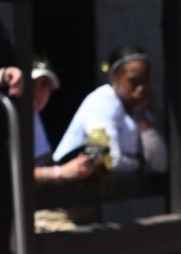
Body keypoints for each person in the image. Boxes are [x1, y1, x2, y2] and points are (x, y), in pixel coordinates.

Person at [53, 44, 167, 178]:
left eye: (145, 80)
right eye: (133, 81)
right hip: (69, 190)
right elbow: (108, 160)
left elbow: (161, 164)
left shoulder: (139, 109)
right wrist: (139, 164)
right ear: (113, 78)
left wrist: (142, 118)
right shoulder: (102, 101)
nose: (141, 88)